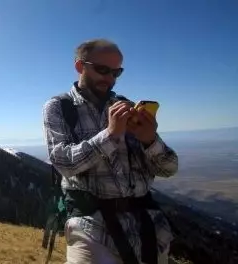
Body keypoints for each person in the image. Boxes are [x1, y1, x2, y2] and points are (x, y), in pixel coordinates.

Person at [43, 39, 178, 264]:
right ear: (80, 66)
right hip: (91, 228)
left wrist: (150, 140)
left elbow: (169, 168)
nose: (110, 78)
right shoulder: (59, 107)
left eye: (117, 72)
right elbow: (64, 163)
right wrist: (110, 135)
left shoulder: (127, 106)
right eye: (102, 70)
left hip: (148, 230)